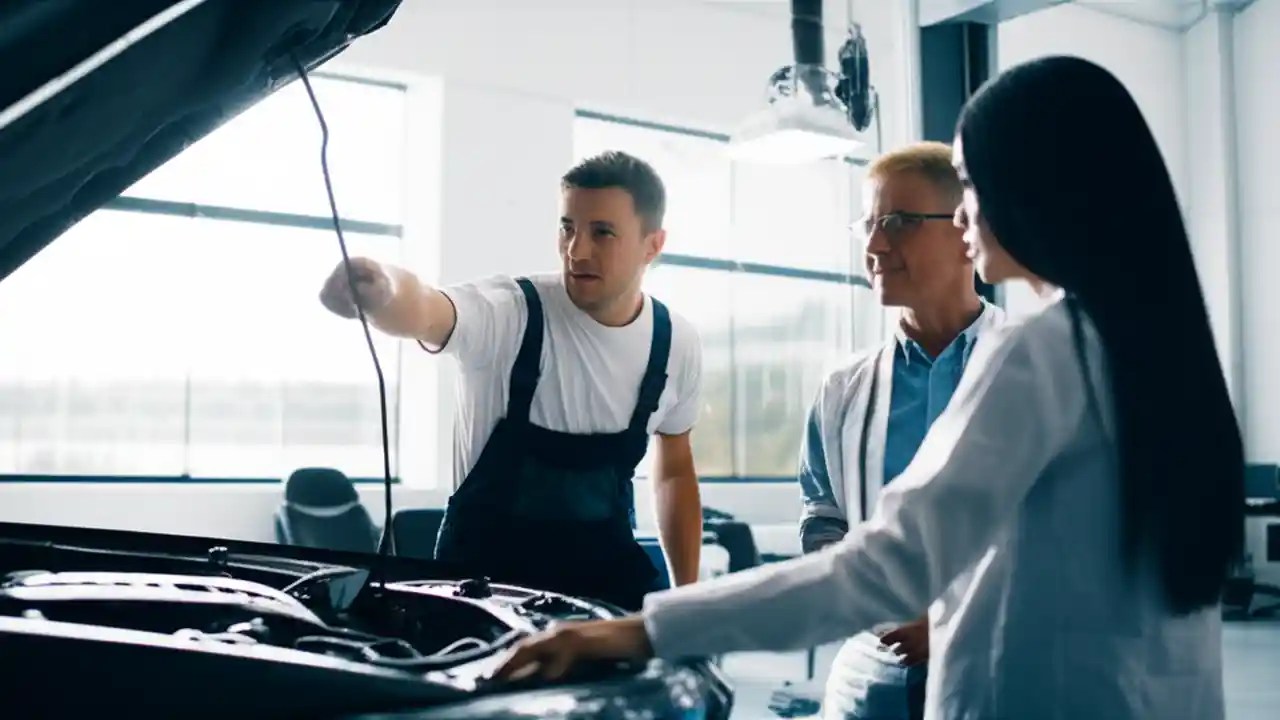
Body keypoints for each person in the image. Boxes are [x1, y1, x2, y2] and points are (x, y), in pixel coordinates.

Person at [492, 56, 1245, 720]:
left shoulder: (1045, 349)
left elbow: (889, 564)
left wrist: (639, 628)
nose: (964, 210)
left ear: (1034, 187)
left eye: (972, 183)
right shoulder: (1153, 346)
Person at [318, 150, 705, 611]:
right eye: (567, 228)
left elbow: (675, 470)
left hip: (600, 600)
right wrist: (379, 288)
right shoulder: (510, 312)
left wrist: (689, 599)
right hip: (484, 602)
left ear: (652, 245)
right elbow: (425, 308)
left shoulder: (675, 342)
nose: (576, 250)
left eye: (602, 232)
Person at [797, 141, 1005, 719]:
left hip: (999, 666)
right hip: (871, 678)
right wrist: (874, 600)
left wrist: (953, 617)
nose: (874, 245)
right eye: (868, 224)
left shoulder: (1033, 365)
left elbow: (1061, 536)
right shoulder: (843, 388)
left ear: (965, 227)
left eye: (898, 222)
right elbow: (824, 517)